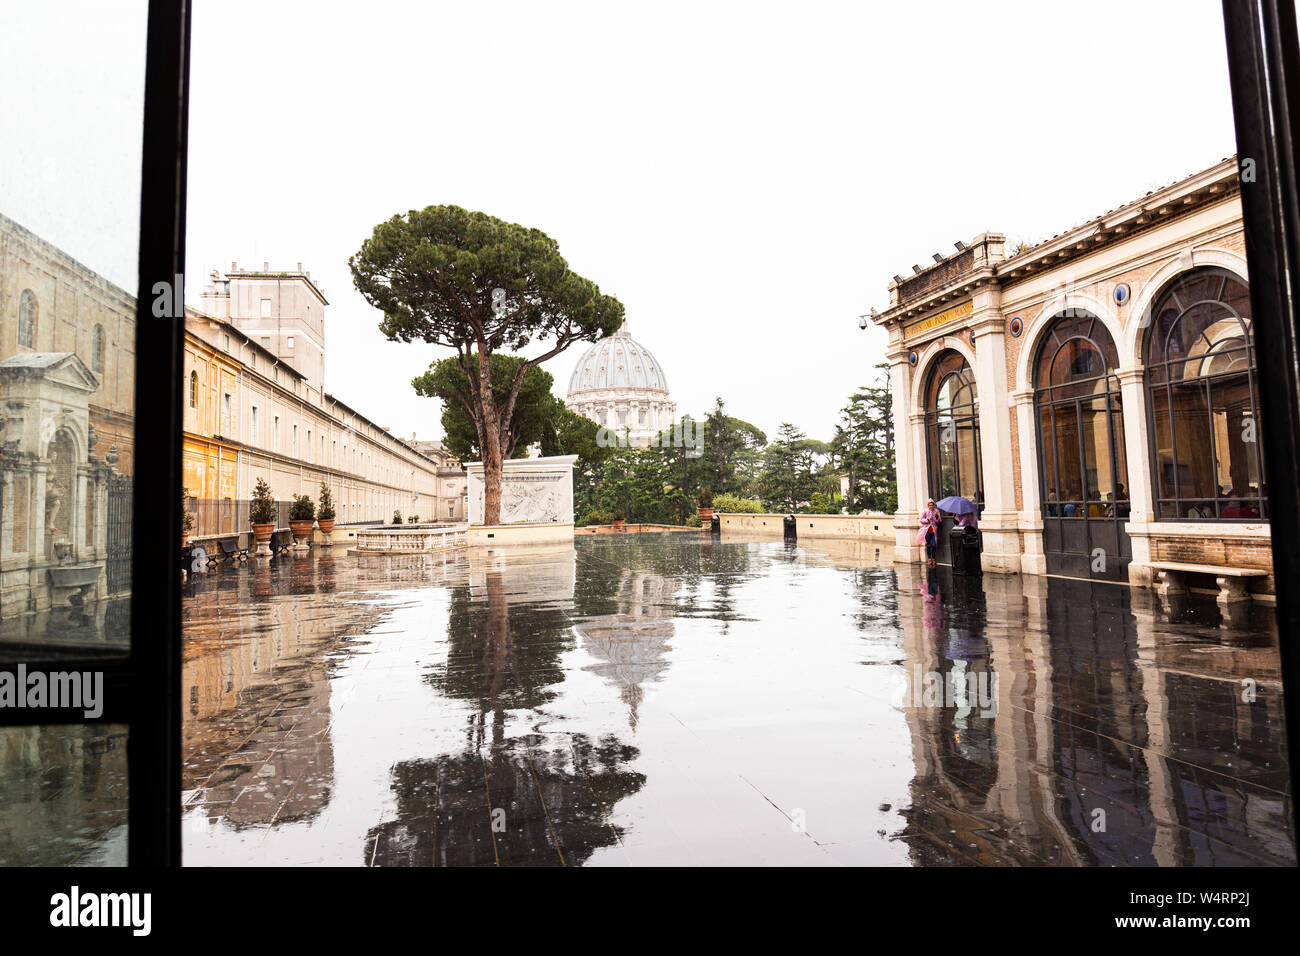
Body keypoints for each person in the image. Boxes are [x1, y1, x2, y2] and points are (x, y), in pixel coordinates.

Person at [917, 498, 942, 568]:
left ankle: (933, 558)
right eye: (929, 505)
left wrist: (936, 516)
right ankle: (929, 559)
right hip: (927, 529)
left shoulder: (936, 511)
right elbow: (921, 520)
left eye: (932, 505)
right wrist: (927, 519)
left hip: (933, 529)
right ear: (928, 505)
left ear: (934, 505)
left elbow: (939, 521)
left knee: (934, 545)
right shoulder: (925, 511)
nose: (931, 506)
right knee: (928, 544)